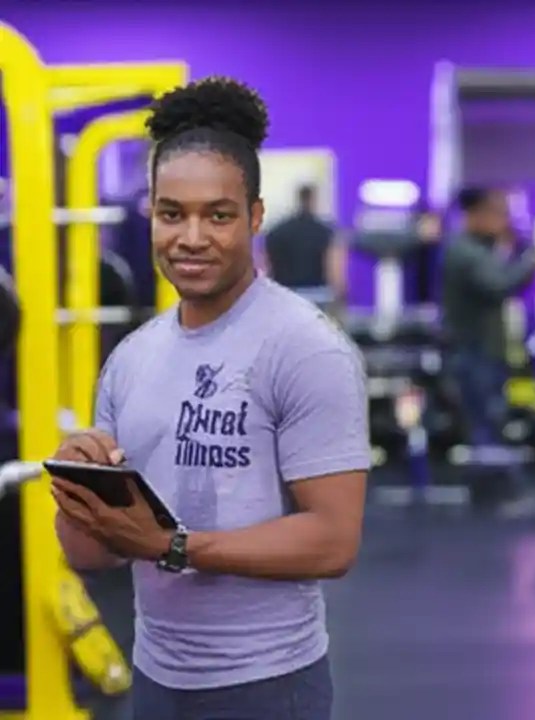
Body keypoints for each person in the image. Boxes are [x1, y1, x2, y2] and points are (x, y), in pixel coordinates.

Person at [48, 77, 370, 720]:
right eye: (172, 213)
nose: (191, 237)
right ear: (152, 215)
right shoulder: (132, 359)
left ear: (254, 216)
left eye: (217, 215)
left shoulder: (305, 347)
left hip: (269, 684)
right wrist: (79, 495)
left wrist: (172, 546)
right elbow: (94, 553)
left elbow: (333, 542)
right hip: (156, 677)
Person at [439, 187, 535, 509]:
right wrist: (531, 262)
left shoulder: (478, 249)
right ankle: (492, 495)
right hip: (474, 353)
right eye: (496, 213)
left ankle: (496, 491)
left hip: (483, 351)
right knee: (485, 421)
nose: (503, 221)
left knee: (488, 421)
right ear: (475, 215)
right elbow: (499, 285)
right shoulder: (466, 253)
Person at [263, 184, 345, 306]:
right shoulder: (324, 232)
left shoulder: (276, 231)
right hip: (318, 296)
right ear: (313, 199)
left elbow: (266, 266)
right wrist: (341, 294)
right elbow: (333, 267)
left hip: (285, 295)